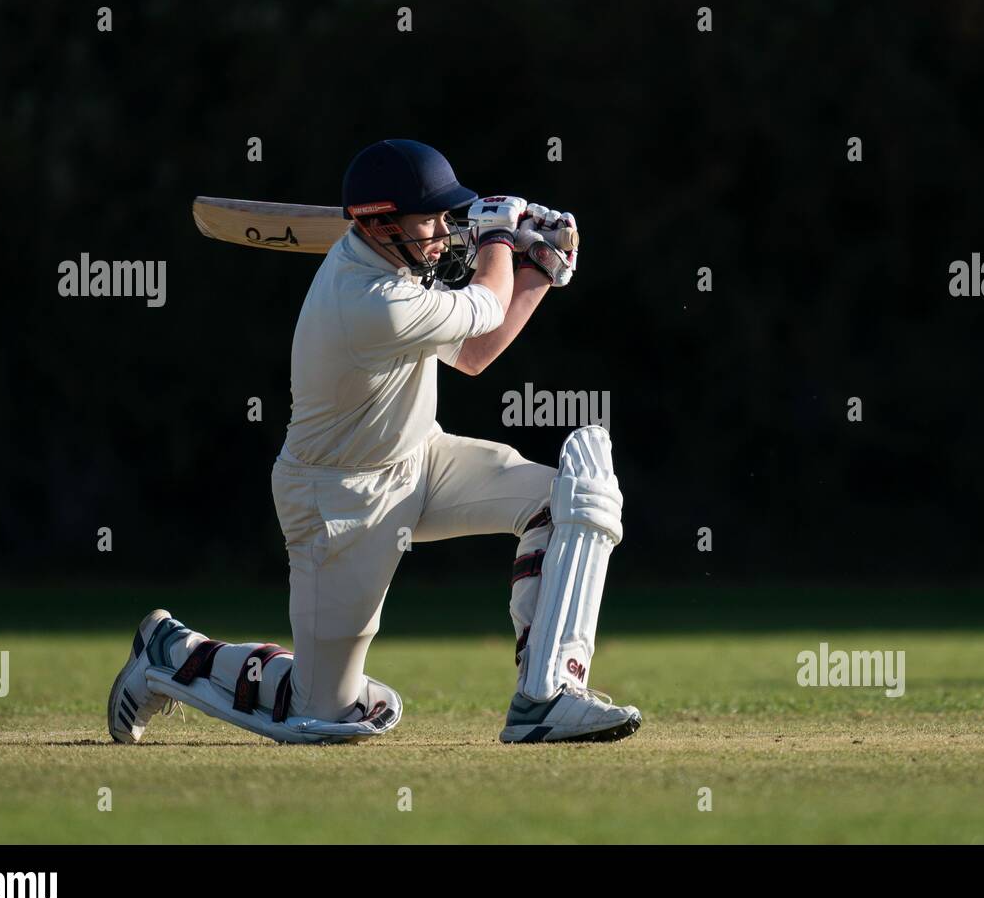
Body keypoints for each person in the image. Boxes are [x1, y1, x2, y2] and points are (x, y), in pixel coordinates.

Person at [108, 139, 640, 745]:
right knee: (327, 710)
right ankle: (172, 652)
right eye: (432, 218)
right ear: (381, 223)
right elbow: (487, 306)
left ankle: (547, 695)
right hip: (339, 499)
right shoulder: (372, 302)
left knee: (570, 497)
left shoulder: (400, 272)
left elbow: (471, 353)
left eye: (449, 216)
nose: (444, 231)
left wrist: (538, 268)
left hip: (422, 461)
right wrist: (499, 235)